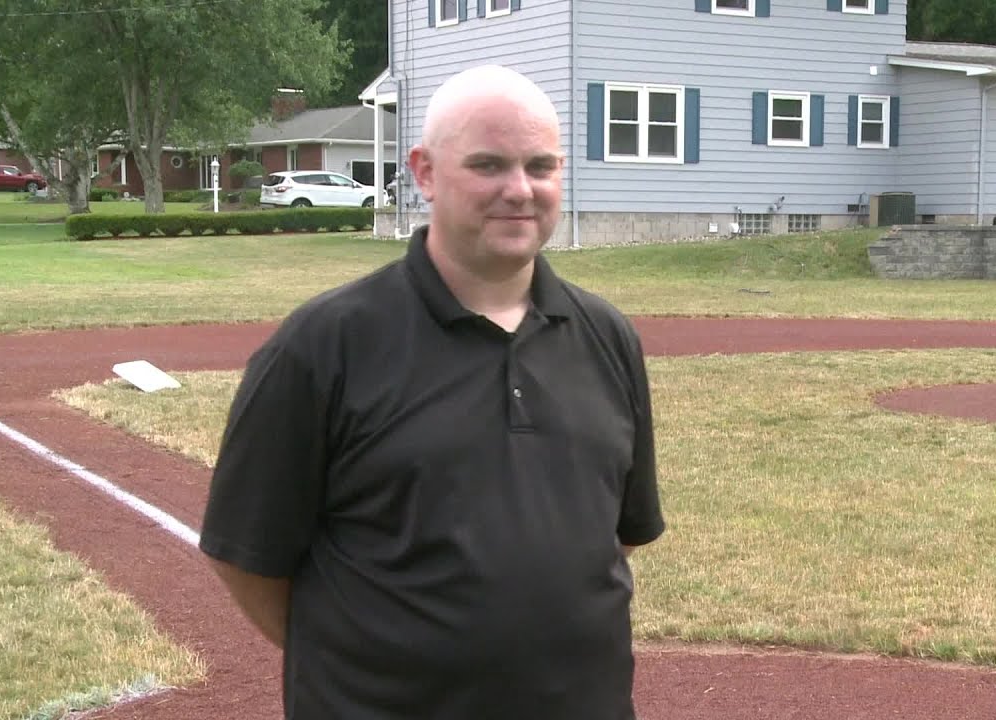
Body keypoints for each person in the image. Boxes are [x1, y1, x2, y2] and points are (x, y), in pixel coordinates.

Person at [198, 63, 665, 720]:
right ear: (423, 173)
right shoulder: (324, 346)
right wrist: (367, 663)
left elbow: (615, 536)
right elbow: (246, 558)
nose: (519, 189)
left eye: (540, 165)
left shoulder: (607, 338)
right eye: (488, 165)